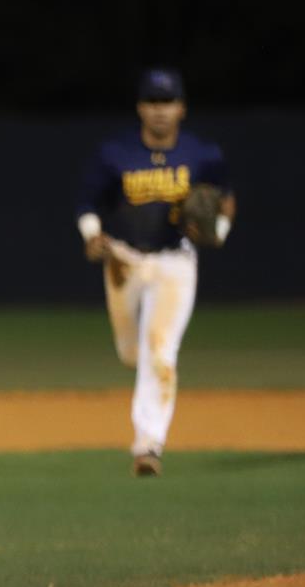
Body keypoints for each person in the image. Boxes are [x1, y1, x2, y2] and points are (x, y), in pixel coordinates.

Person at [75, 67, 236, 477]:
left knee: (160, 353)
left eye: (167, 102)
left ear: (181, 108)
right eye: (152, 102)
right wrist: (93, 234)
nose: (160, 111)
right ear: (140, 108)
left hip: (174, 262)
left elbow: (225, 200)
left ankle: (149, 445)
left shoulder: (203, 155)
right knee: (133, 353)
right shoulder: (115, 155)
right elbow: (88, 203)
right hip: (124, 259)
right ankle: (147, 423)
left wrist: (219, 229)